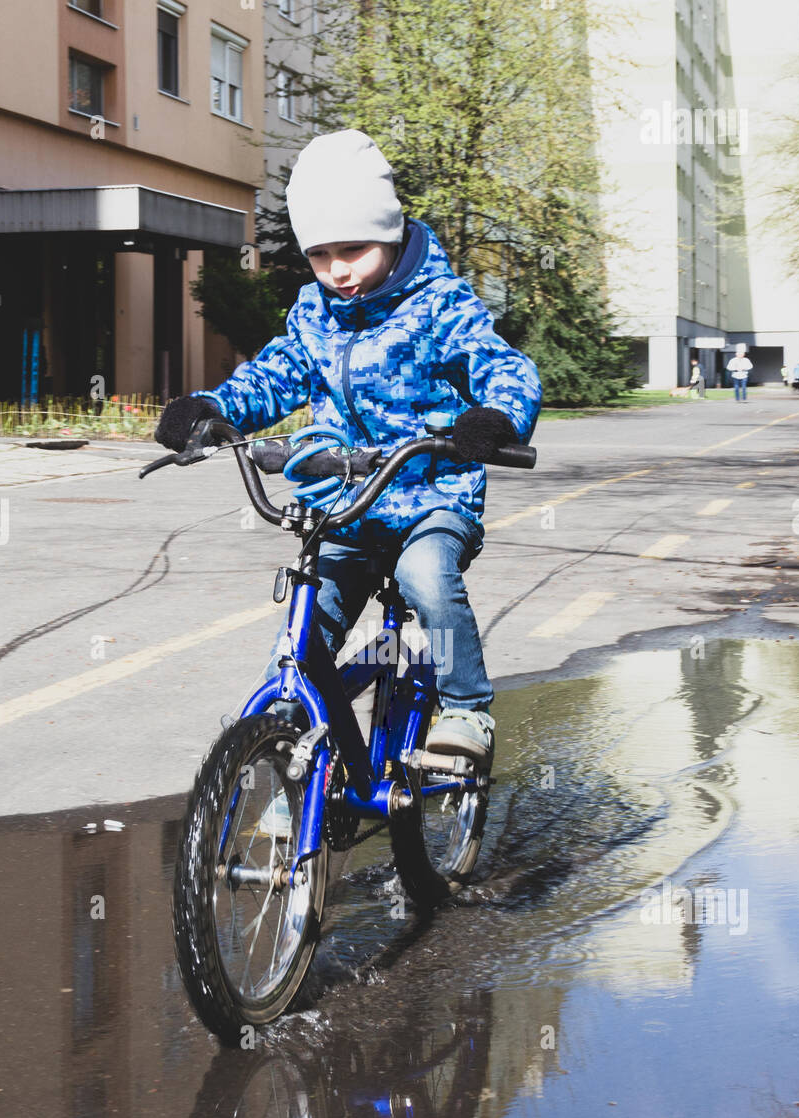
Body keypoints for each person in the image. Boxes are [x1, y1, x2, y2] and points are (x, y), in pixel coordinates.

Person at [155, 130, 541, 766]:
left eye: (355, 250)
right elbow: (275, 374)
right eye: (321, 254)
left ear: (390, 235)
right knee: (315, 611)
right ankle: (284, 731)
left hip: (429, 492)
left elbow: (502, 366)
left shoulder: (439, 305)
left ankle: (466, 707)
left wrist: (497, 417)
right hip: (346, 501)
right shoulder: (314, 313)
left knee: (426, 577)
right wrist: (214, 408)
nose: (338, 270)